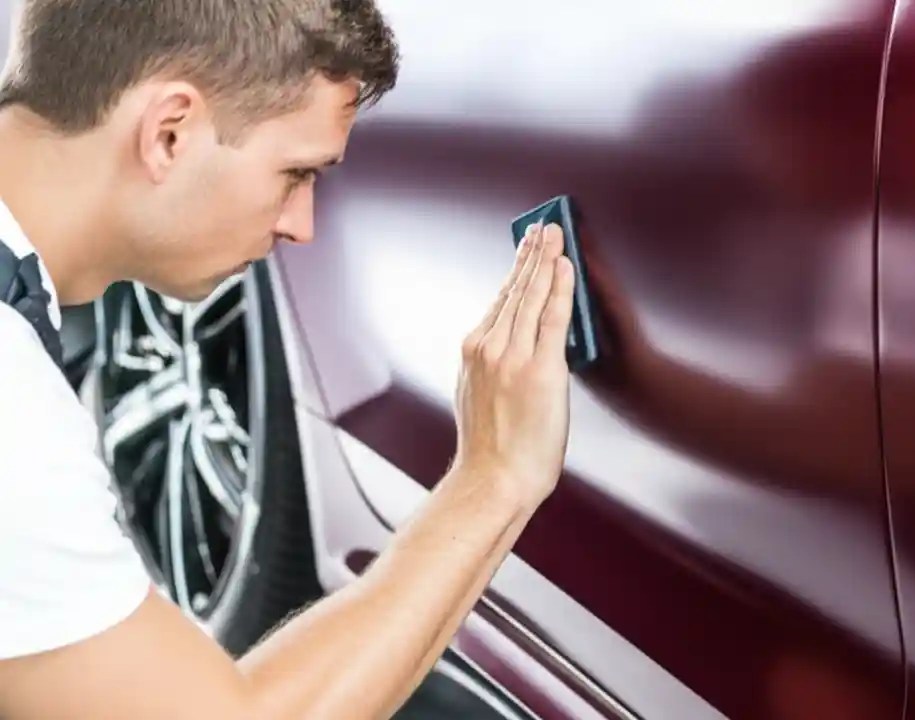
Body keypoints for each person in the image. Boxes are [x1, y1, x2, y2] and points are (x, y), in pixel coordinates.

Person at [0, 1, 578, 717]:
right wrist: (495, 476)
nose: (299, 227)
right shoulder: (14, 419)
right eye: (295, 173)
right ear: (169, 134)